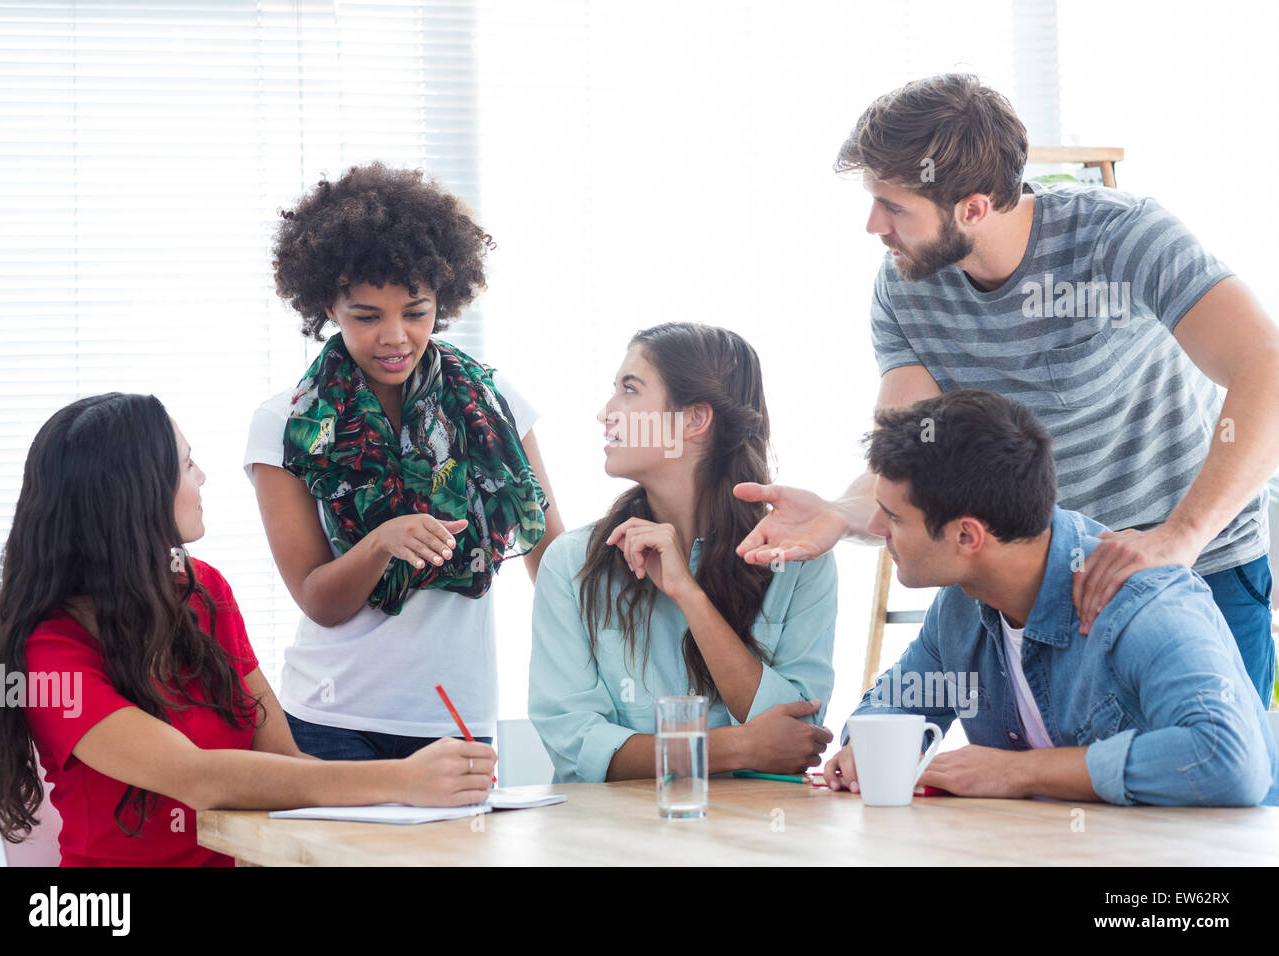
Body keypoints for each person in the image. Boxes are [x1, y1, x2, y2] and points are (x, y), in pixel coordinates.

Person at [735, 74, 1278, 704]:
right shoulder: (907, 286)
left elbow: (1264, 366)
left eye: (894, 207)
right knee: (1071, 787)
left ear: (972, 207)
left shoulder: (1120, 235)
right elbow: (913, 450)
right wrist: (842, 512)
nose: (872, 225)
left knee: (1207, 782)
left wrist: (1180, 536)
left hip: (1198, 566)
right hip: (1056, 588)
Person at [0, 394, 497, 866]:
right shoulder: (47, 655)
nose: (201, 478)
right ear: (133, 495)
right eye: (186, 465)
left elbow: (283, 761)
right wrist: (403, 780)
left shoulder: (203, 589)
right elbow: (198, 778)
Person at [821, 390, 1278, 806]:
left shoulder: (1143, 603)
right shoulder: (960, 606)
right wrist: (862, 749)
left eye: (893, 517)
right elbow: (895, 705)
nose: (876, 531)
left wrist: (1015, 772)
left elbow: (1228, 761)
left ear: (967, 535)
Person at [246, 163, 562, 759]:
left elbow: (551, 559)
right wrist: (381, 541)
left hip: (456, 721)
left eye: (414, 312)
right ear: (327, 308)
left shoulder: (494, 405)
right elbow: (320, 600)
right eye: (367, 316)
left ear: (443, 301)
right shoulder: (285, 424)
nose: (394, 337)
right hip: (327, 723)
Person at [529, 323, 836, 783]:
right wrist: (734, 747)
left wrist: (688, 595)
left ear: (693, 420)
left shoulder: (796, 558)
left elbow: (796, 737)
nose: (604, 412)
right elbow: (575, 746)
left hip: (761, 839)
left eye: (629, 390)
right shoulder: (572, 562)